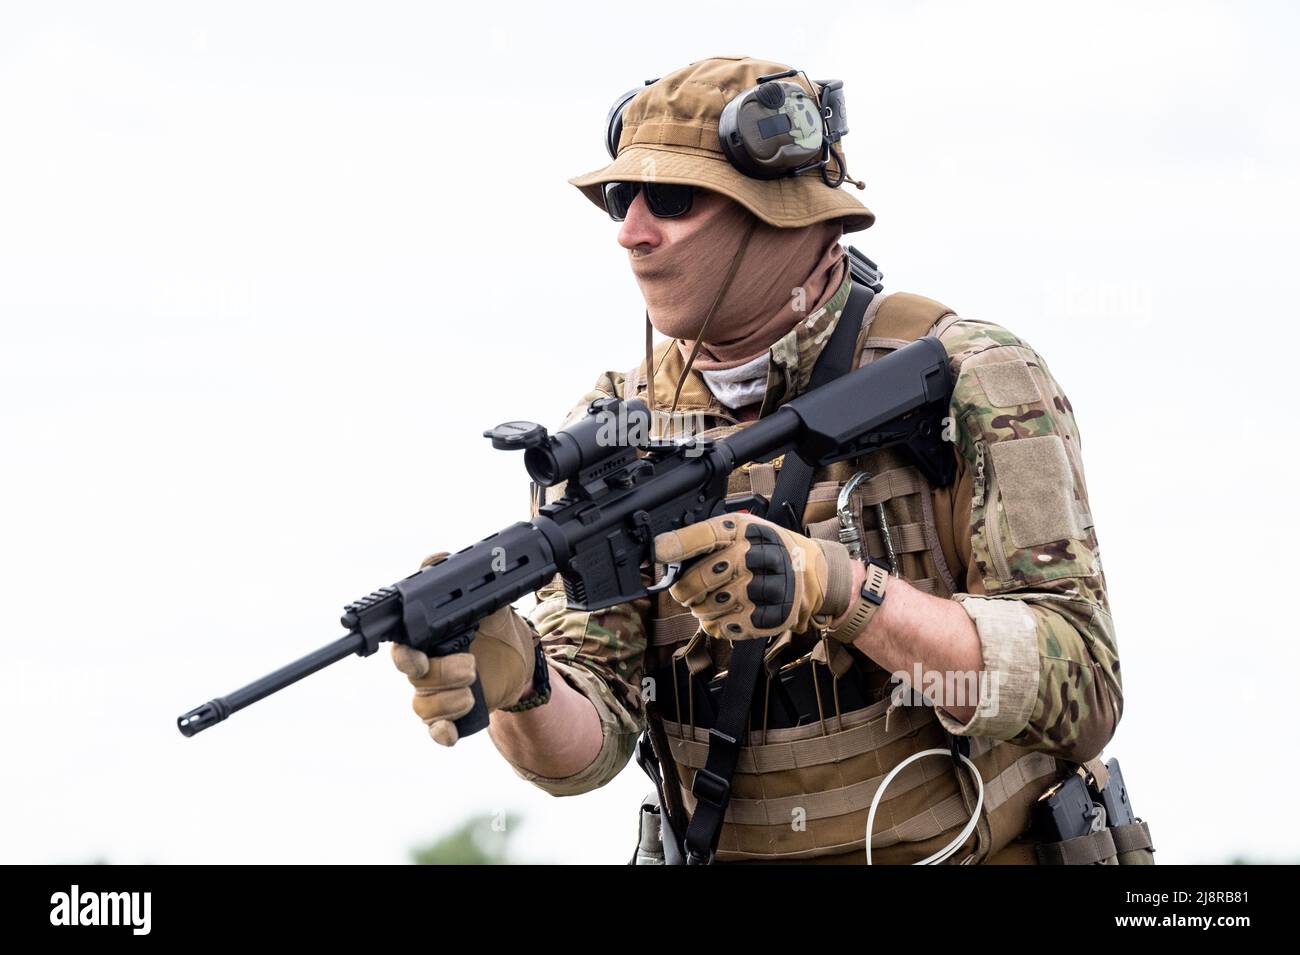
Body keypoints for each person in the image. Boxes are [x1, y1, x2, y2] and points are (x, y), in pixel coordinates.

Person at [390, 56, 1130, 865]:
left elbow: (1084, 688)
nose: (631, 231)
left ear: (783, 209)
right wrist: (524, 684)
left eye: (671, 200)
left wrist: (838, 589)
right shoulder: (606, 438)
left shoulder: (970, 376)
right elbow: (589, 746)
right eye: (618, 200)